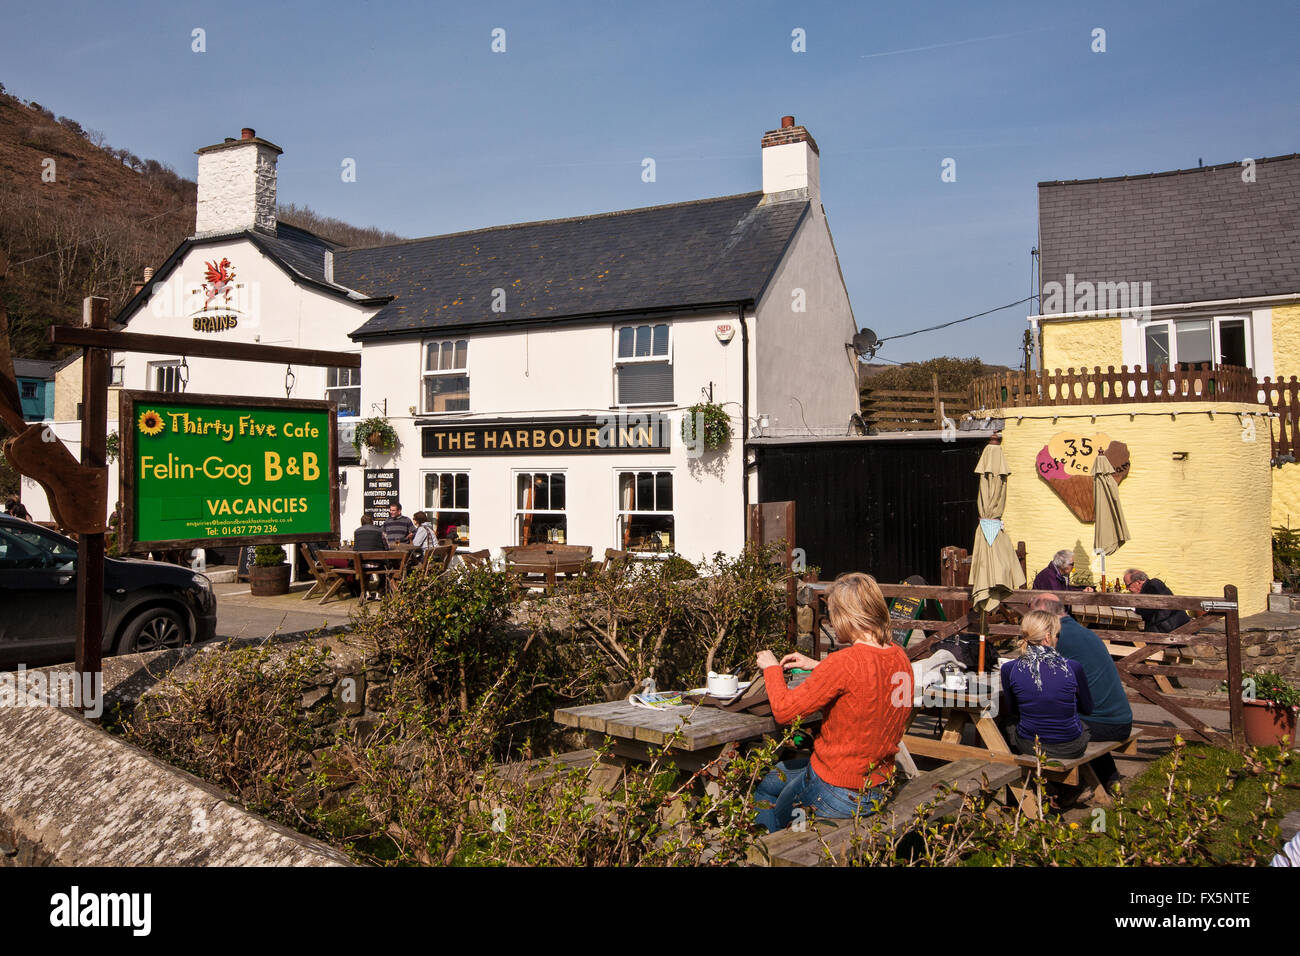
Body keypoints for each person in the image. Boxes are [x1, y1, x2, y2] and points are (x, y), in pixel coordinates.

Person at [752, 572, 913, 833]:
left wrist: (771, 668)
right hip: (878, 784)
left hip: (836, 788)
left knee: (769, 800)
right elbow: (867, 679)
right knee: (773, 778)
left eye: (833, 614)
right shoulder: (899, 657)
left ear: (847, 616)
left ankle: (768, 851)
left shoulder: (845, 663)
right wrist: (818, 666)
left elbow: (784, 712)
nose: (831, 621)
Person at [1031, 593, 1132, 788]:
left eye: (1031, 614)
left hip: (1102, 723)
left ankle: (1065, 790)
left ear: (1042, 615)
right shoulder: (1079, 630)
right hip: (1119, 717)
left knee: (1024, 726)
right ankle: (1109, 778)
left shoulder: (1059, 638)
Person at [1000, 609, 1092, 760]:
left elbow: (1013, 710)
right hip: (1071, 746)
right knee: (1084, 725)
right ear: (1048, 637)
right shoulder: (1072, 667)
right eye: (1057, 635)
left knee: (1007, 724)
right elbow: (1087, 708)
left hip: (1031, 745)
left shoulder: (1009, 669)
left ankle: (1022, 777)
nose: (1058, 639)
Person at [1123, 569, 1191, 632]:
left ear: (1138, 582)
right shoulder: (1153, 584)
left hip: (1173, 629)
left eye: (1128, 585)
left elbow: (1147, 612)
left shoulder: (1152, 587)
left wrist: (1135, 608)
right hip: (1177, 625)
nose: (1127, 589)